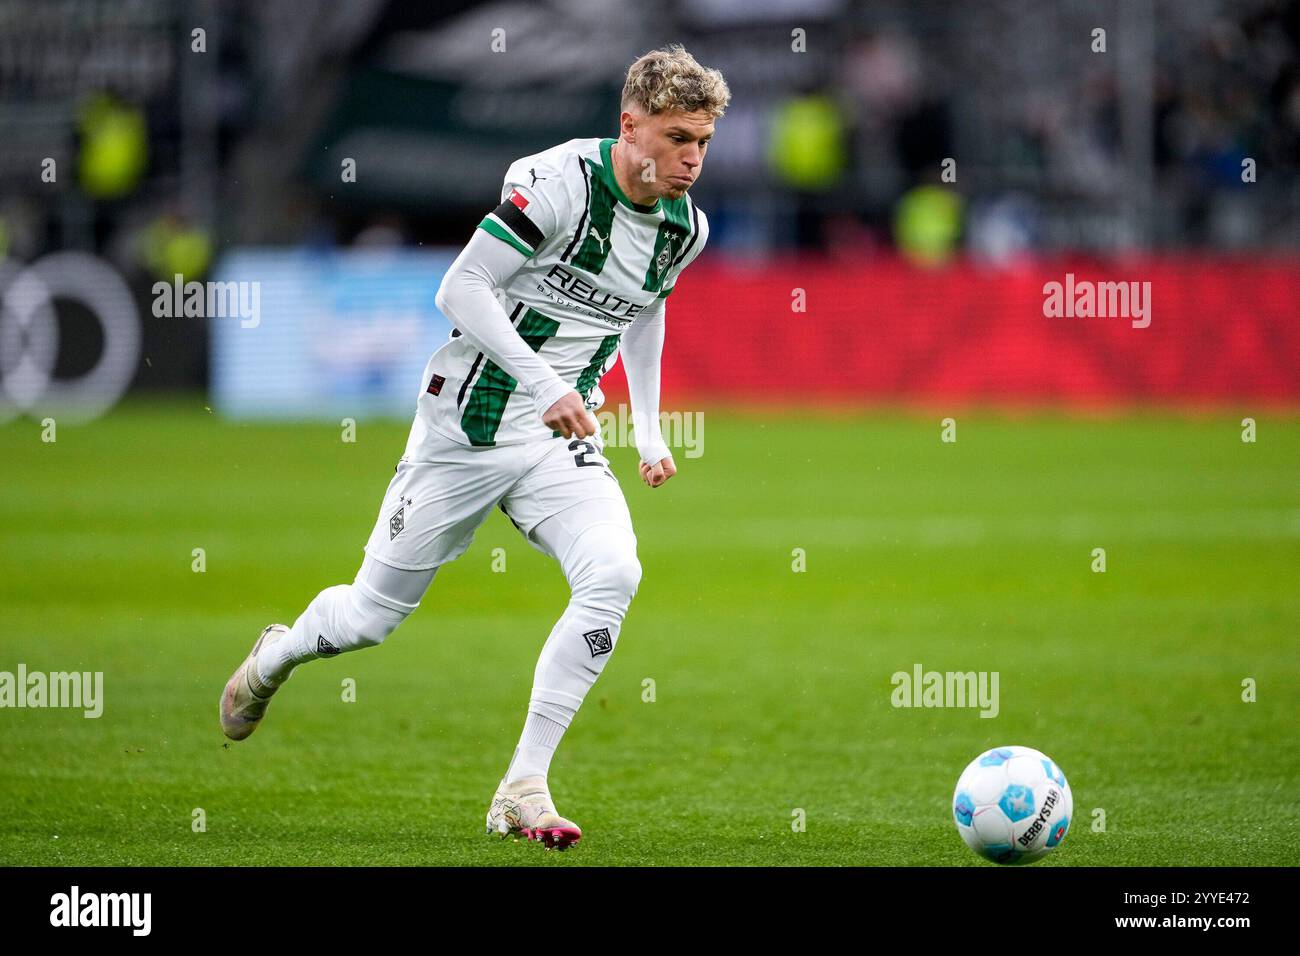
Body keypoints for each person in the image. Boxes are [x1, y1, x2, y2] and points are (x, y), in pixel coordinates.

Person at [219, 44, 730, 851]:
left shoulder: (683, 228)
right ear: (629, 125)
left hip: (561, 437)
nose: (692, 159)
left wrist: (652, 428)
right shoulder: (559, 184)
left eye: (702, 140)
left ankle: (523, 786)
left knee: (616, 573)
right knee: (367, 620)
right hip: (465, 428)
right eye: (676, 138)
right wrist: (543, 385)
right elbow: (459, 286)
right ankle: (276, 656)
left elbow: (646, 311)